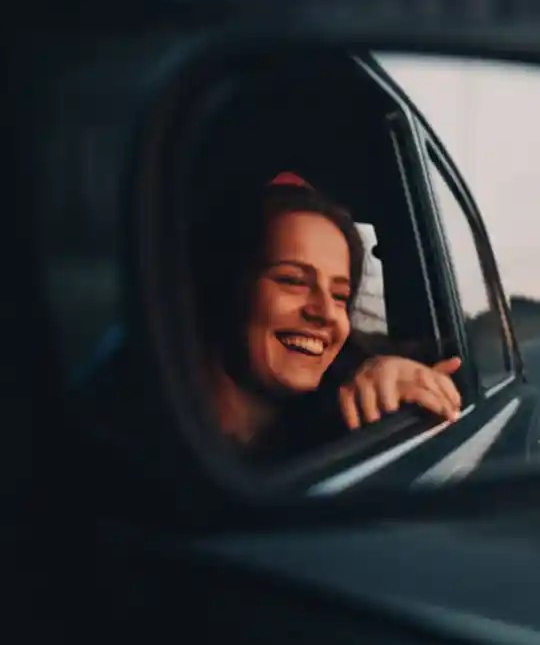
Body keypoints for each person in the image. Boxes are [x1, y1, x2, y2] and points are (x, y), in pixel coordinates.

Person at [194, 171, 462, 460]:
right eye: (293, 280)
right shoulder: (153, 430)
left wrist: (400, 380)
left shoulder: (340, 413)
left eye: (339, 296)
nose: (324, 313)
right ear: (227, 286)